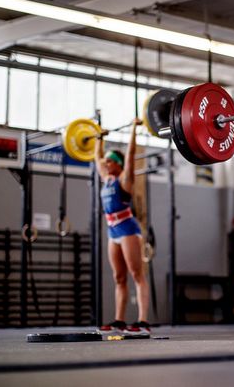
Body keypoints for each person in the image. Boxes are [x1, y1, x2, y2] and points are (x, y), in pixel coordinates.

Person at [94, 118, 150, 337]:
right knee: (119, 278)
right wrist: (100, 138)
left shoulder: (125, 179)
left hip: (128, 229)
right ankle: (119, 320)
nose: (106, 164)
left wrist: (134, 129)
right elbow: (97, 158)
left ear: (118, 163)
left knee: (137, 275)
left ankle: (143, 321)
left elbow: (131, 155)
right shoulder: (106, 179)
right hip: (112, 231)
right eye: (106, 162)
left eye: (110, 161)